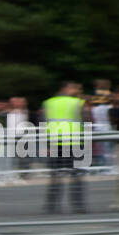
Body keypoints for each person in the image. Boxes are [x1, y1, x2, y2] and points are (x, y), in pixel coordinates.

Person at [42, 81, 87, 213]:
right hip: (75, 142)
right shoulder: (77, 103)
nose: (77, 90)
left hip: (55, 142)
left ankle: (51, 206)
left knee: (55, 175)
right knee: (77, 175)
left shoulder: (48, 103)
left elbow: (43, 123)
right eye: (74, 87)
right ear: (66, 88)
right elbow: (85, 120)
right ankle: (78, 205)